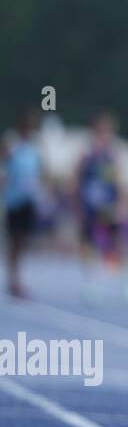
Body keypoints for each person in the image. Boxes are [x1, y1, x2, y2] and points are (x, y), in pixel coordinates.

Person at [76, 111, 127, 268]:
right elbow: (77, 177)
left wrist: (123, 200)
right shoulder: (87, 151)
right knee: (88, 239)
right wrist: (78, 202)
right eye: (101, 130)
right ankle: (89, 275)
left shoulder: (113, 153)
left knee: (116, 237)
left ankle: (115, 271)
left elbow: (119, 180)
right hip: (90, 203)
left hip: (108, 202)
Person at [2, 110, 43, 298]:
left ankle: (18, 277)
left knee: (23, 240)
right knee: (14, 239)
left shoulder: (34, 147)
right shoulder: (12, 144)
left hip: (29, 200)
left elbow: (39, 171)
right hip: (13, 200)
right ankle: (13, 278)